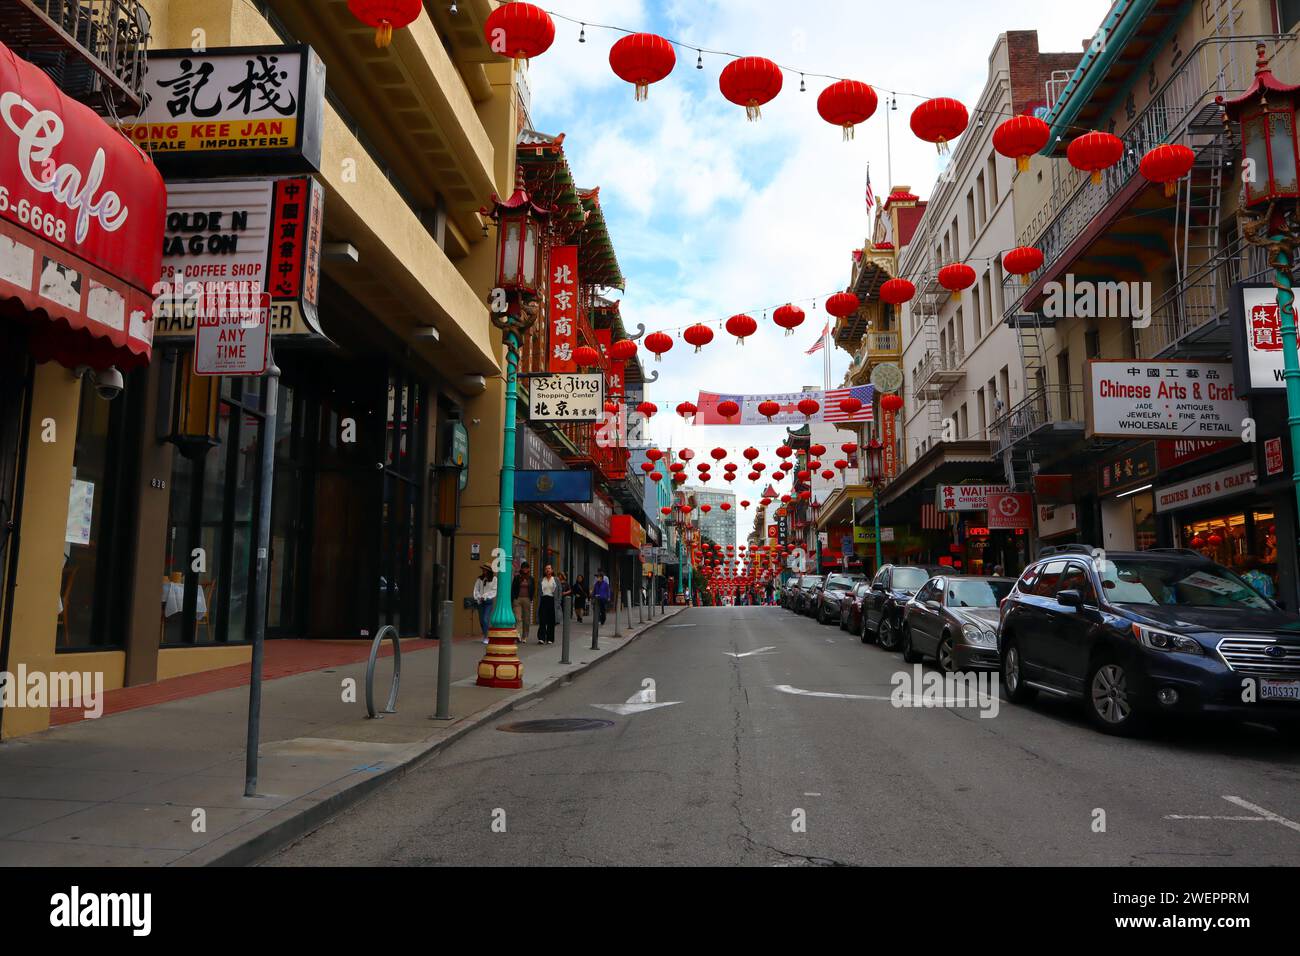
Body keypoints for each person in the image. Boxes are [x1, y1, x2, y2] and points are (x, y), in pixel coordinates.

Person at [511, 561, 533, 644]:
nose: (525, 569)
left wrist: (530, 598)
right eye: (524, 567)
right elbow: (513, 588)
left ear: (528, 569)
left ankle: (525, 636)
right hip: (517, 599)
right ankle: (518, 635)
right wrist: (513, 599)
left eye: (527, 568)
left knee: (526, 619)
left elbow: (532, 588)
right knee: (518, 618)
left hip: (527, 599)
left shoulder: (530, 578)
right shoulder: (517, 577)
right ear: (521, 568)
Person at [472, 566, 495, 644]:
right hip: (480, 601)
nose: (484, 571)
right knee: (481, 620)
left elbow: (494, 591)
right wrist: (478, 596)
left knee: (485, 619)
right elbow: (476, 589)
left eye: (486, 570)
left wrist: (485, 596)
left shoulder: (494, 579)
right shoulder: (480, 579)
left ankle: (486, 637)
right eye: (483, 570)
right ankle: (485, 634)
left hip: (488, 601)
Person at [538, 564, 559, 644]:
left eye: (549, 568)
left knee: (551, 620)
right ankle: (541, 638)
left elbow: (559, 591)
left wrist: (558, 602)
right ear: (544, 571)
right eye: (546, 568)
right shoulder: (541, 580)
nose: (548, 570)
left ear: (552, 570)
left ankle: (550, 638)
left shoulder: (555, 579)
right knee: (542, 619)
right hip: (543, 599)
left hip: (552, 600)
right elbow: (539, 591)